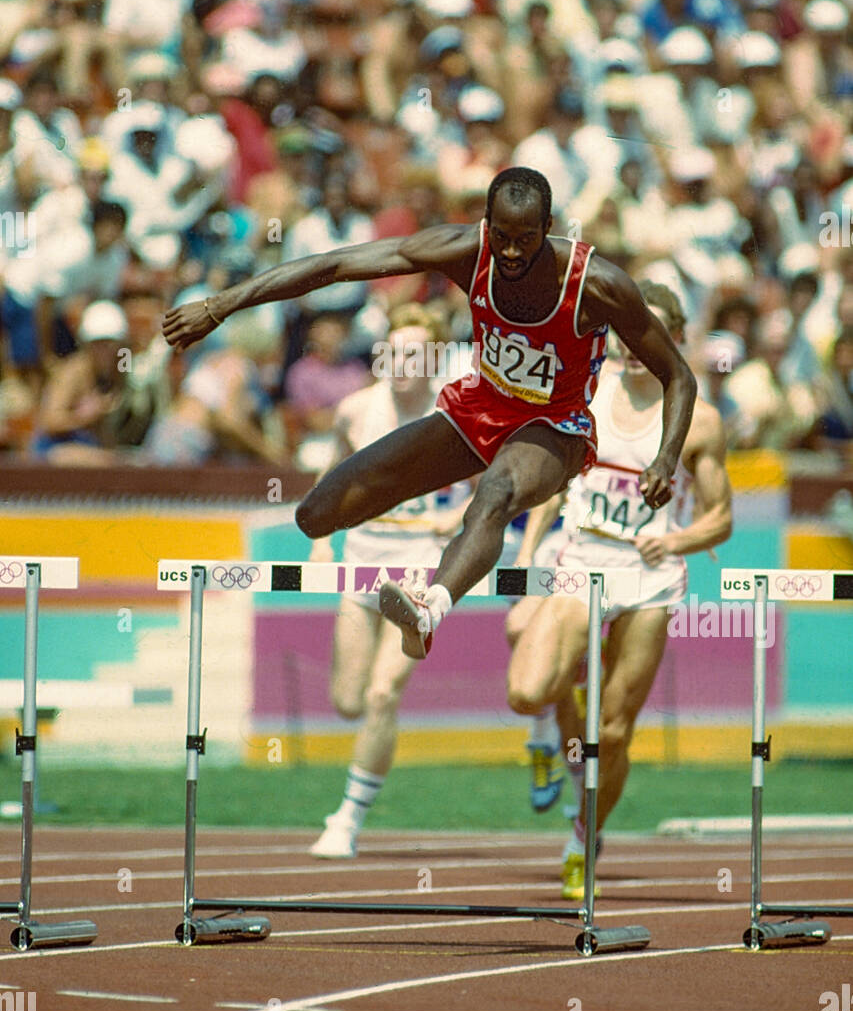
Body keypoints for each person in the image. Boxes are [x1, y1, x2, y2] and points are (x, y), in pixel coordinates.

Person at [163, 167, 697, 659]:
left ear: (548, 227)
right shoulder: (466, 249)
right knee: (318, 513)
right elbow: (335, 265)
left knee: (496, 492)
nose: (510, 253)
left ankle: (428, 611)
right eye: (502, 237)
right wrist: (220, 304)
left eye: (526, 240)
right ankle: (397, 556)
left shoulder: (597, 284)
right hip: (480, 409)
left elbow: (679, 375)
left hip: (556, 427)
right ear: (487, 224)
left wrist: (664, 459)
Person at [505, 282, 732, 898]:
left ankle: (583, 838)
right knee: (528, 689)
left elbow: (722, 518)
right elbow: (550, 483)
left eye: (650, 334)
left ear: (674, 338)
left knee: (615, 730)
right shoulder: (589, 395)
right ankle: (551, 730)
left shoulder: (699, 419)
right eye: (628, 332)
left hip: (650, 576)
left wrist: (678, 542)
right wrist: (528, 558)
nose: (636, 347)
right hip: (582, 558)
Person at [309, 304, 471, 858]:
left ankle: (346, 820)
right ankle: (349, 807)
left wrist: (462, 513)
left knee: (382, 695)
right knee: (347, 701)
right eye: (395, 351)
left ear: (435, 360)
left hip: (420, 563)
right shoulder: (356, 410)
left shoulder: (454, 414)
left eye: (415, 353)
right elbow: (329, 475)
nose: (403, 363)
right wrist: (319, 542)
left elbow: (494, 474)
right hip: (361, 560)